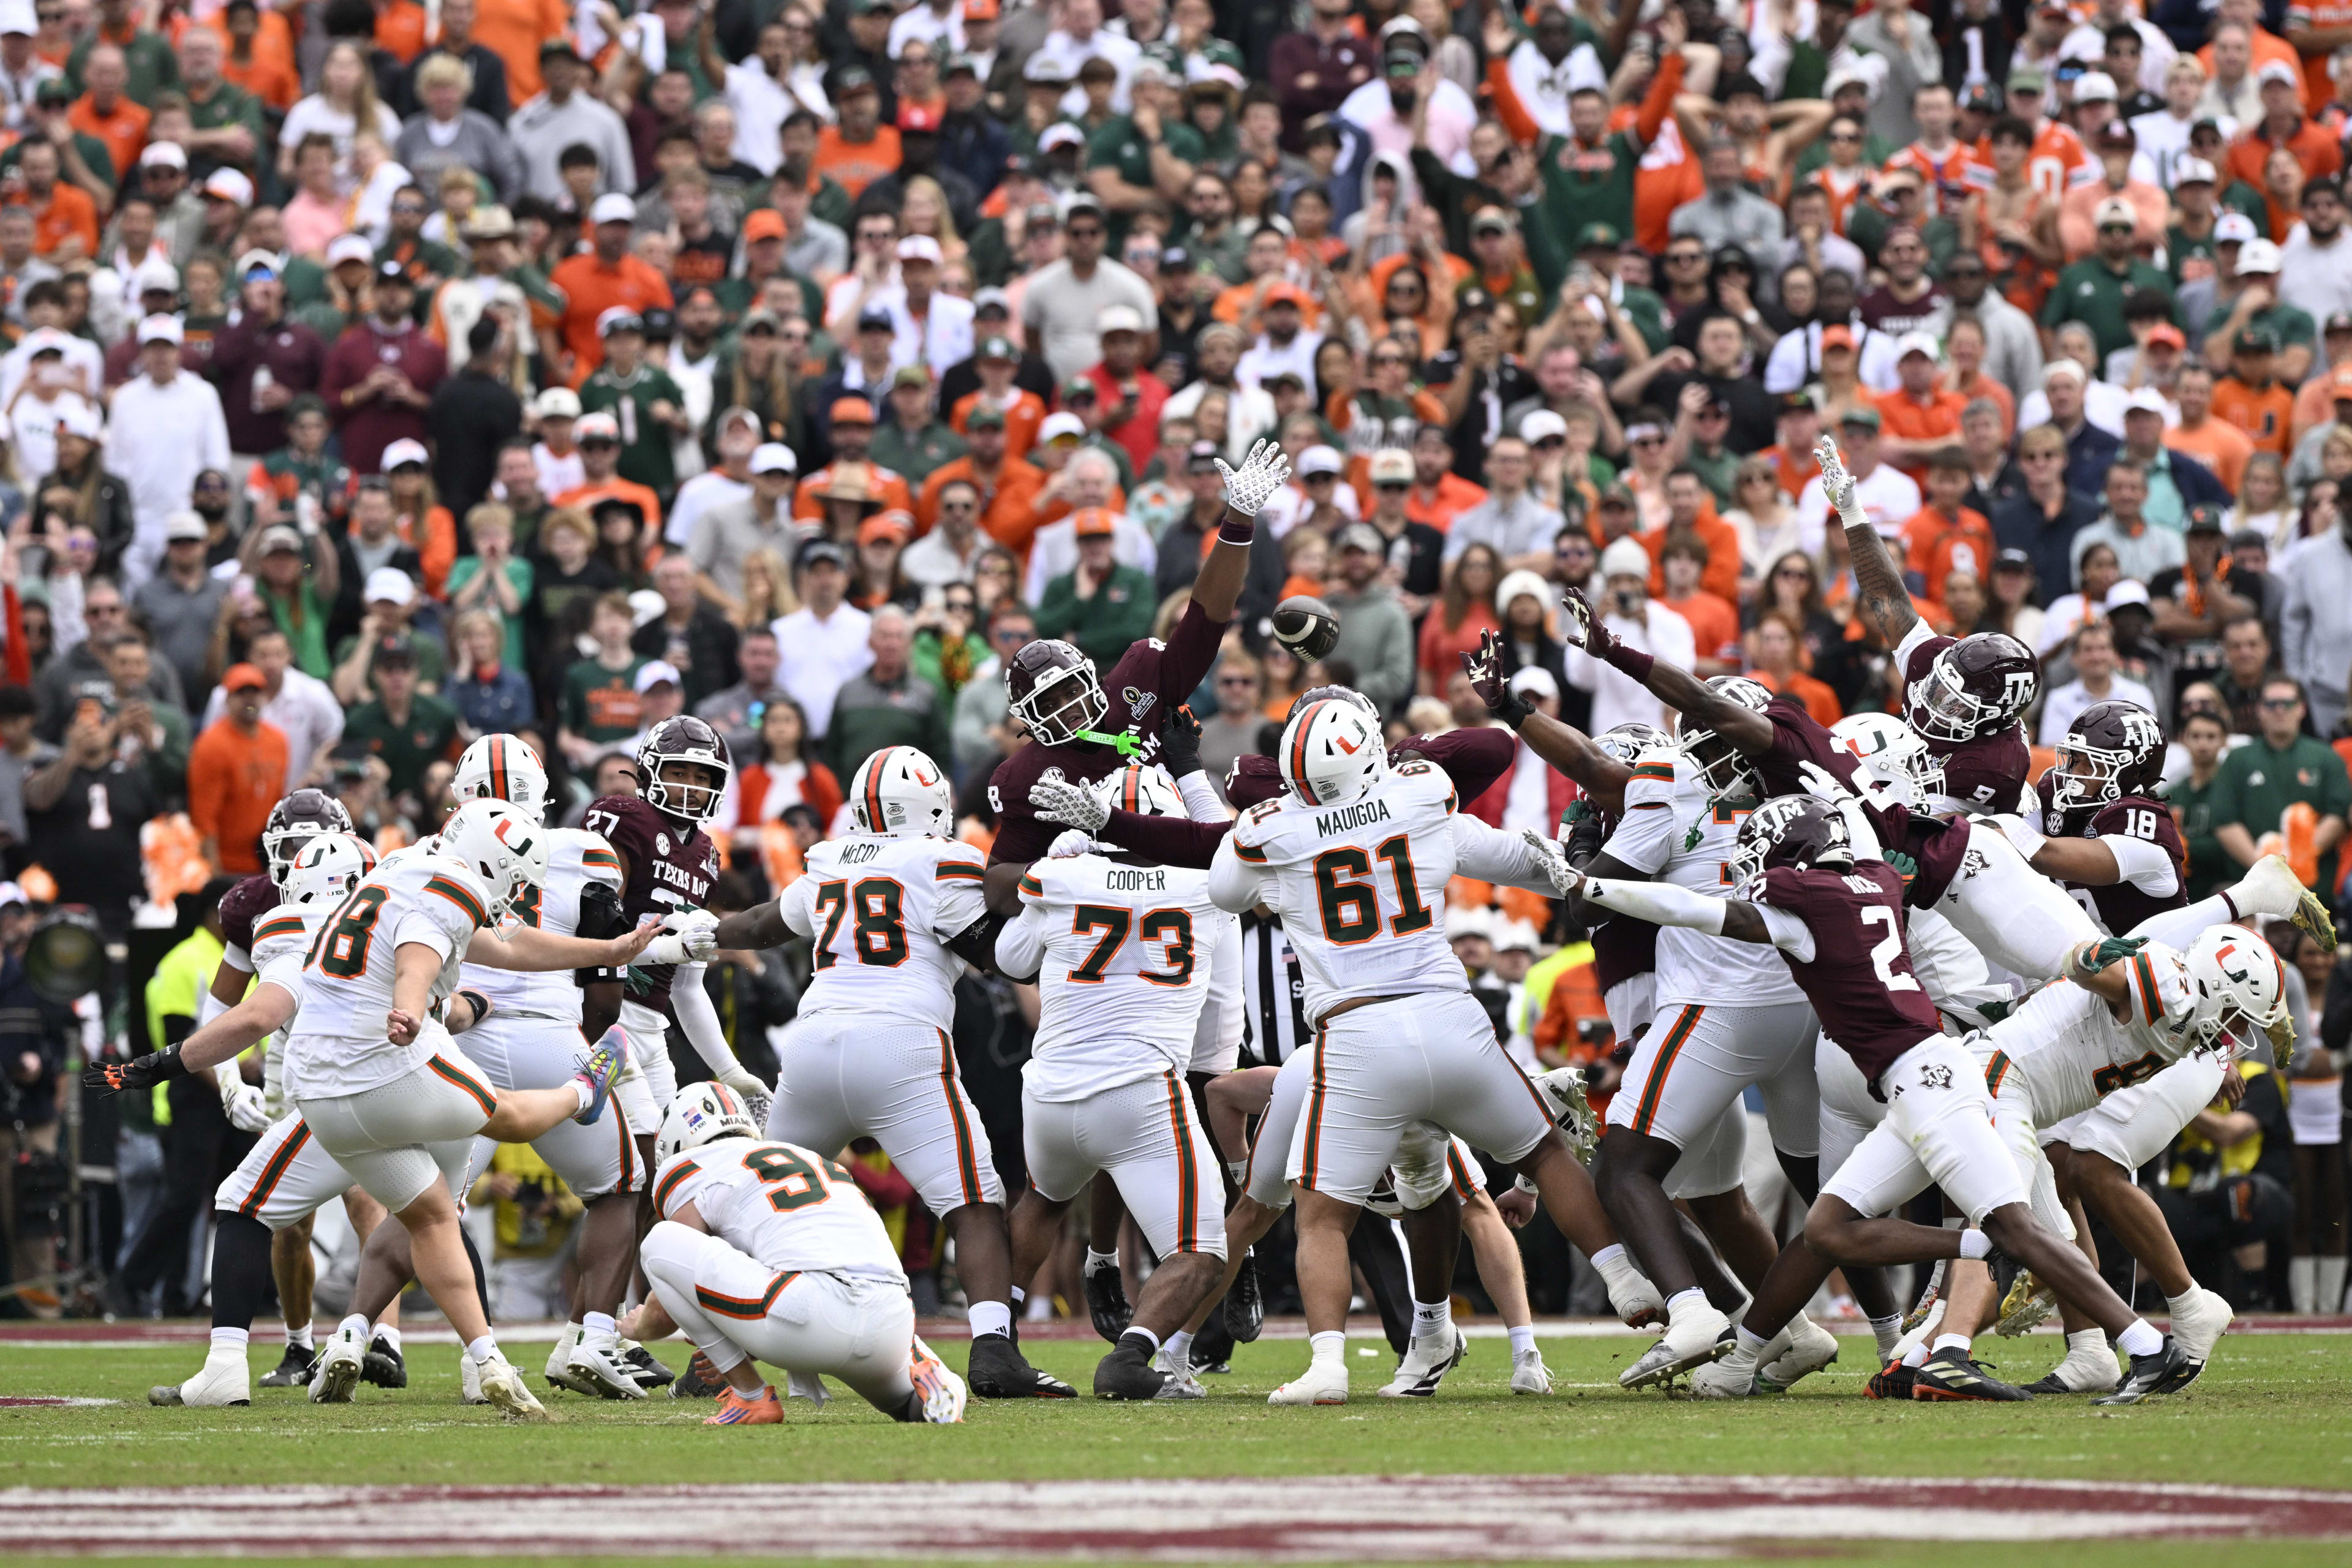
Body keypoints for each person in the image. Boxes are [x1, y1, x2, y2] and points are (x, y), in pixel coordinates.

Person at [2209, 674, 2352, 895]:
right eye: (2271, 704)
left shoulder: (2327, 757)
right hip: (2249, 888)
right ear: (2259, 709)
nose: (2279, 710)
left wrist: (2298, 860)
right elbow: (2224, 820)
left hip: (2313, 888)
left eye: (2288, 703)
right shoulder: (2237, 759)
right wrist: (2264, 867)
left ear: (2302, 708)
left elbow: (2339, 815)